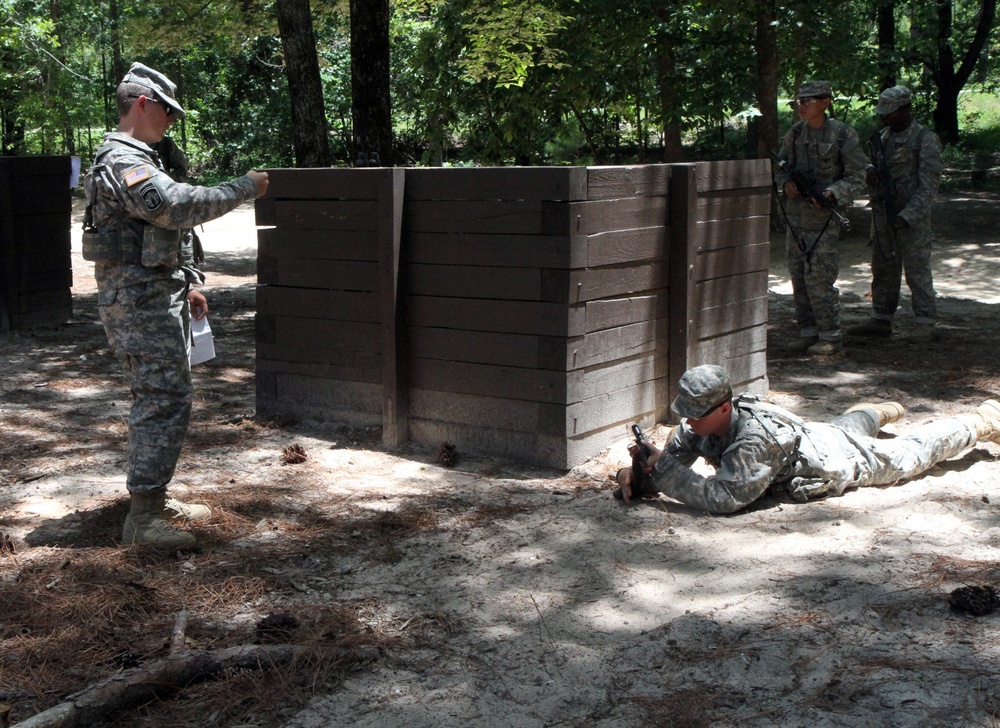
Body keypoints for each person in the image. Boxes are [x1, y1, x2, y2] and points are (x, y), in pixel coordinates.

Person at [82, 62, 269, 549]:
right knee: (161, 400)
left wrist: (188, 283)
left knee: (166, 397)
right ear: (143, 103)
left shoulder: (143, 155)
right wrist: (243, 187)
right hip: (139, 303)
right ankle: (143, 519)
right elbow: (176, 208)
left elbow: (157, 234)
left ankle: (154, 501)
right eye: (168, 110)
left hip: (154, 296)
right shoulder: (124, 160)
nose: (172, 119)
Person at [614, 364, 1000, 514]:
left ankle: (980, 420)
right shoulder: (699, 422)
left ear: (724, 409)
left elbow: (723, 498)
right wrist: (635, 473)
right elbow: (672, 460)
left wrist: (661, 467)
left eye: (695, 415)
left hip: (834, 460)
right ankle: (879, 412)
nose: (687, 422)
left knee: (908, 455)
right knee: (844, 425)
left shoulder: (754, 442)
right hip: (814, 434)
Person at [774, 80, 867, 356]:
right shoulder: (795, 133)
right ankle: (808, 332)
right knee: (798, 276)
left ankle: (830, 335)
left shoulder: (842, 135)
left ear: (825, 102)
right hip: (796, 218)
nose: (802, 106)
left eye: (808, 101)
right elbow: (780, 167)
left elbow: (858, 175)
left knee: (820, 278)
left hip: (823, 220)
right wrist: (786, 183)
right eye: (799, 102)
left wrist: (833, 192)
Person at [848, 85, 944, 343]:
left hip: (911, 219)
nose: (883, 118)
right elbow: (871, 172)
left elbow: (929, 186)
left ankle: (925, 321)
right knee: (883, 268)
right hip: (883, 217)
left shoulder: (924, 139)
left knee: (917, 270)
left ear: (905, 110)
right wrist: (870, 173)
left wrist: (907, 216)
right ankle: (881, 318)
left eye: (889, 113)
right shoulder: (882, 138)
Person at [150, 135, 206, 265]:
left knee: (180, 250)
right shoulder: (122, 147)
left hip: (168, 202)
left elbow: (182, 170)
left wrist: (165, 183)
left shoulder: (164, 143)